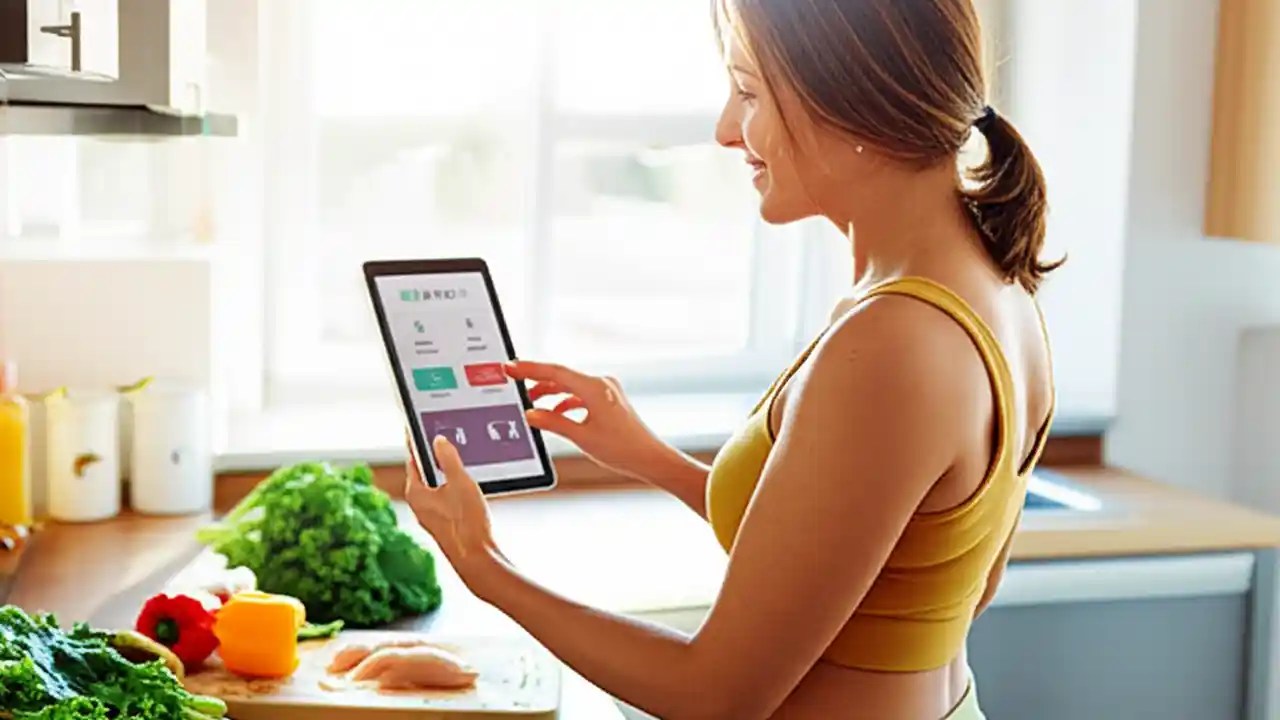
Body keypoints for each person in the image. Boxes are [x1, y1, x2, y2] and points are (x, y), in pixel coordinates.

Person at [404, 0, 1058, 717]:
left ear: (846, 100)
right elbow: (900, 574)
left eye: (748, 91)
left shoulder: (895, 343)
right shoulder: (995, 291)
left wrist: (483, 565)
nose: (725, 130)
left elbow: (714, 692)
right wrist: (653, 459)